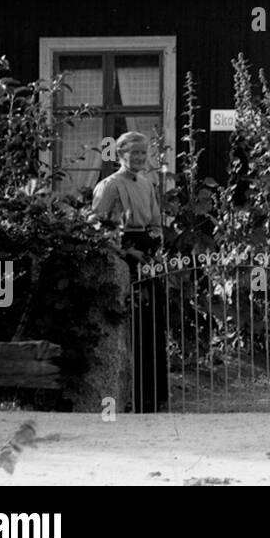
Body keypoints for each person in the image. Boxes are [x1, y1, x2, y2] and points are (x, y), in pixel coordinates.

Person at [90, 131, 168, 412]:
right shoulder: (109, 186)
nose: (138, 158)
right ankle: (130, 395)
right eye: (133, 153)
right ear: (120, 154)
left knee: (152, 324)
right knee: (131, 326)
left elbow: (157, 221)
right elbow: (96, 228)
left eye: (143, 153)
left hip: (147, 254)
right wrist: (122, 254)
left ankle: (153, 396)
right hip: (124, 255)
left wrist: (156, 242)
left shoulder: (147, 184)